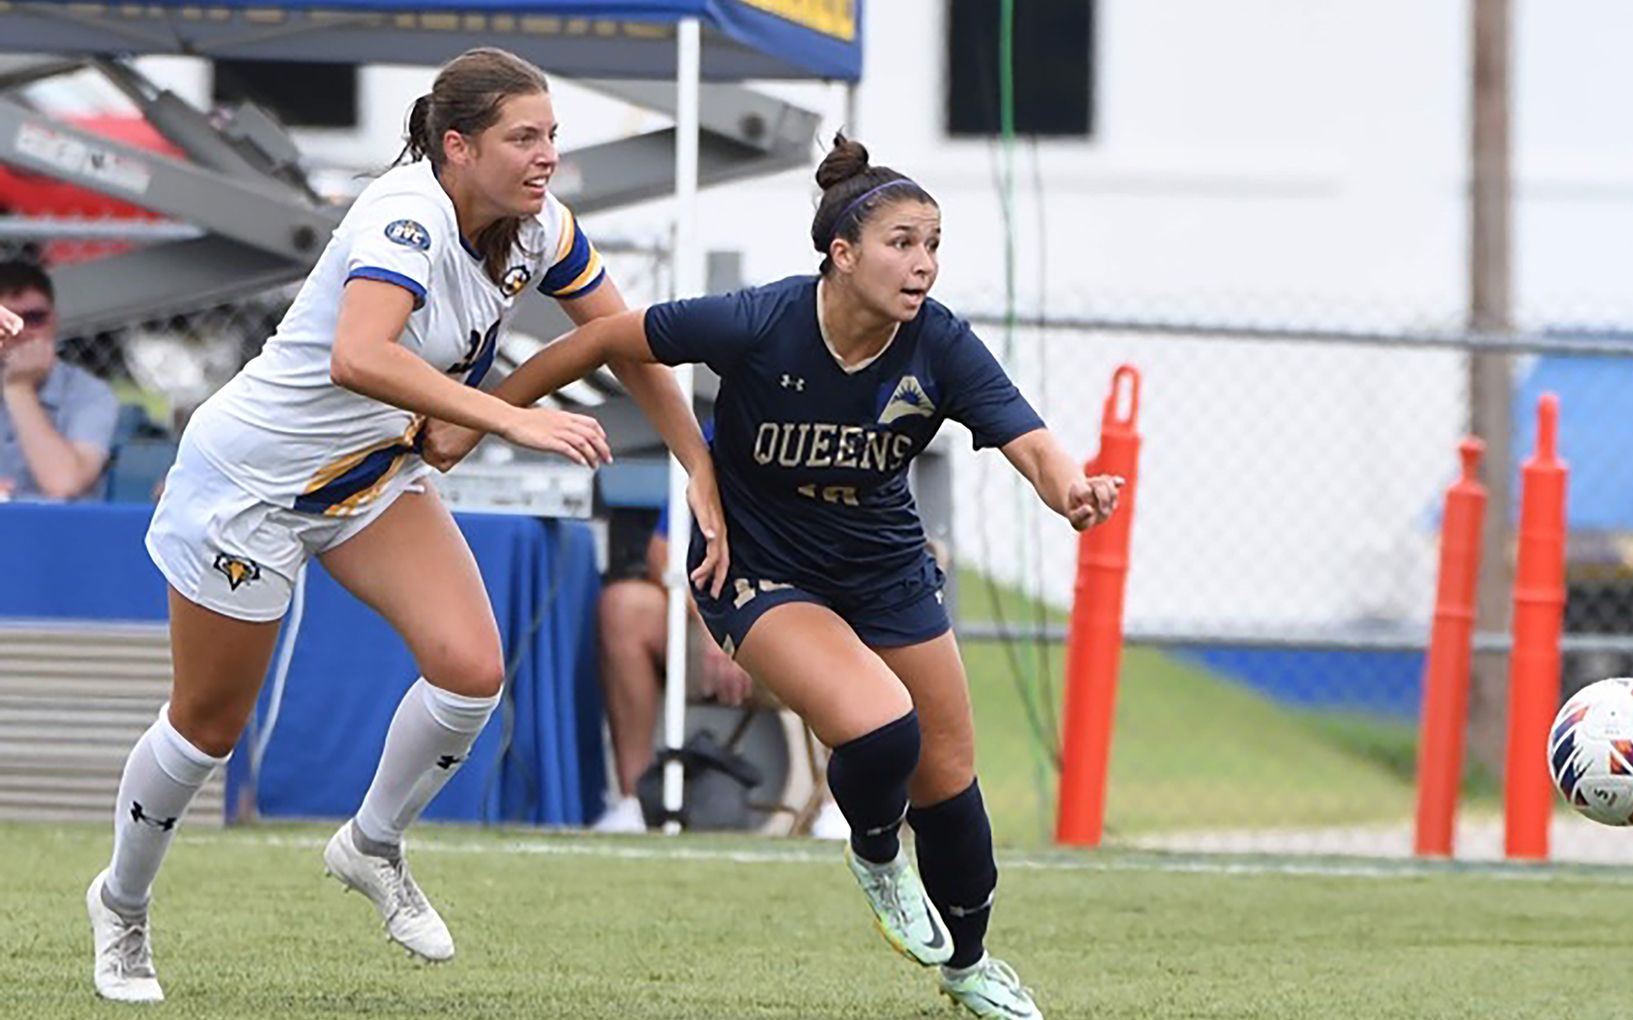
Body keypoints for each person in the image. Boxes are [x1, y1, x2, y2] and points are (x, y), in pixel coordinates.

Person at [83, 47, 727, 1004]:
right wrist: (505, 415)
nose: (547, 155)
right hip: (247, 486)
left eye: (553, 135)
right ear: (457, 147)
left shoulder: (539, 226)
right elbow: (358, 356)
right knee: (208, 727)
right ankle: (122, 907)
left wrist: (700, 467)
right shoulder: (405, 213)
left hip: (367, 481)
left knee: (471, 671)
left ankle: (371, 846)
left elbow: (622, 340)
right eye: (525, 137)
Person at [430, 133, 1121, 1020]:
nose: (923, 265)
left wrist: (1071, 491)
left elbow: (1026, 436)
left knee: (951, 785)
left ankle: (972, 966)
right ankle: (875, 852)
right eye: (902, 243)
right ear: (841, 253)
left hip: (884, 569)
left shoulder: (937, 344)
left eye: (933, 244)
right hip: (756, 564)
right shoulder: (760, 321)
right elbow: (605, 336)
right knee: (881, 733)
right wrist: (482, 417)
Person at [593, 505, 754, 833]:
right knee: (624, 606)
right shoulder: (713, 457)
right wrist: (717, 626)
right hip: (710, 626)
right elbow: (660, 548)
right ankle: (632, 805)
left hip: (796, 628)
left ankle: (841, 808)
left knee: (843, 618)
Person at [0, 261, 120, 501]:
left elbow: (63, 483)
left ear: (53, 321)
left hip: (58, 533)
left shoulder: (90, 393)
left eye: (34, 318)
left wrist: (19, 388)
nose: (21, 331)